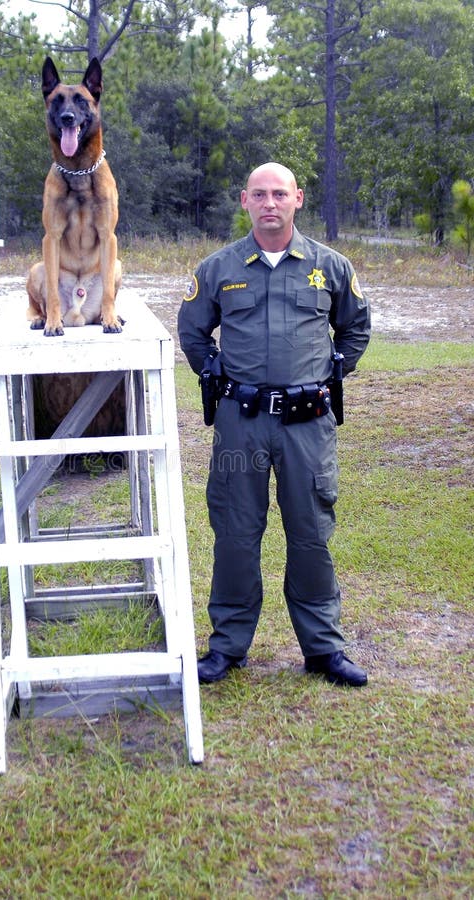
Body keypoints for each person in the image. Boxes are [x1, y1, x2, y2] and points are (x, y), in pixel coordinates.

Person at [177, 162, 371, 687]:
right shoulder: (218, 269)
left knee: (311, 534)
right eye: (259, 194)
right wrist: (217, 374)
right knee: (236, 534)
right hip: (242, 425)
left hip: (307, 428)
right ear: (244, 201)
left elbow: (355, 330)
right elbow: (193, 334)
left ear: (298, 199)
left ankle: (324, 649)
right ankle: (227, 647)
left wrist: (327, 376)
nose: (270, 203)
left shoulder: (330, 267)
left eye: (279, 194)